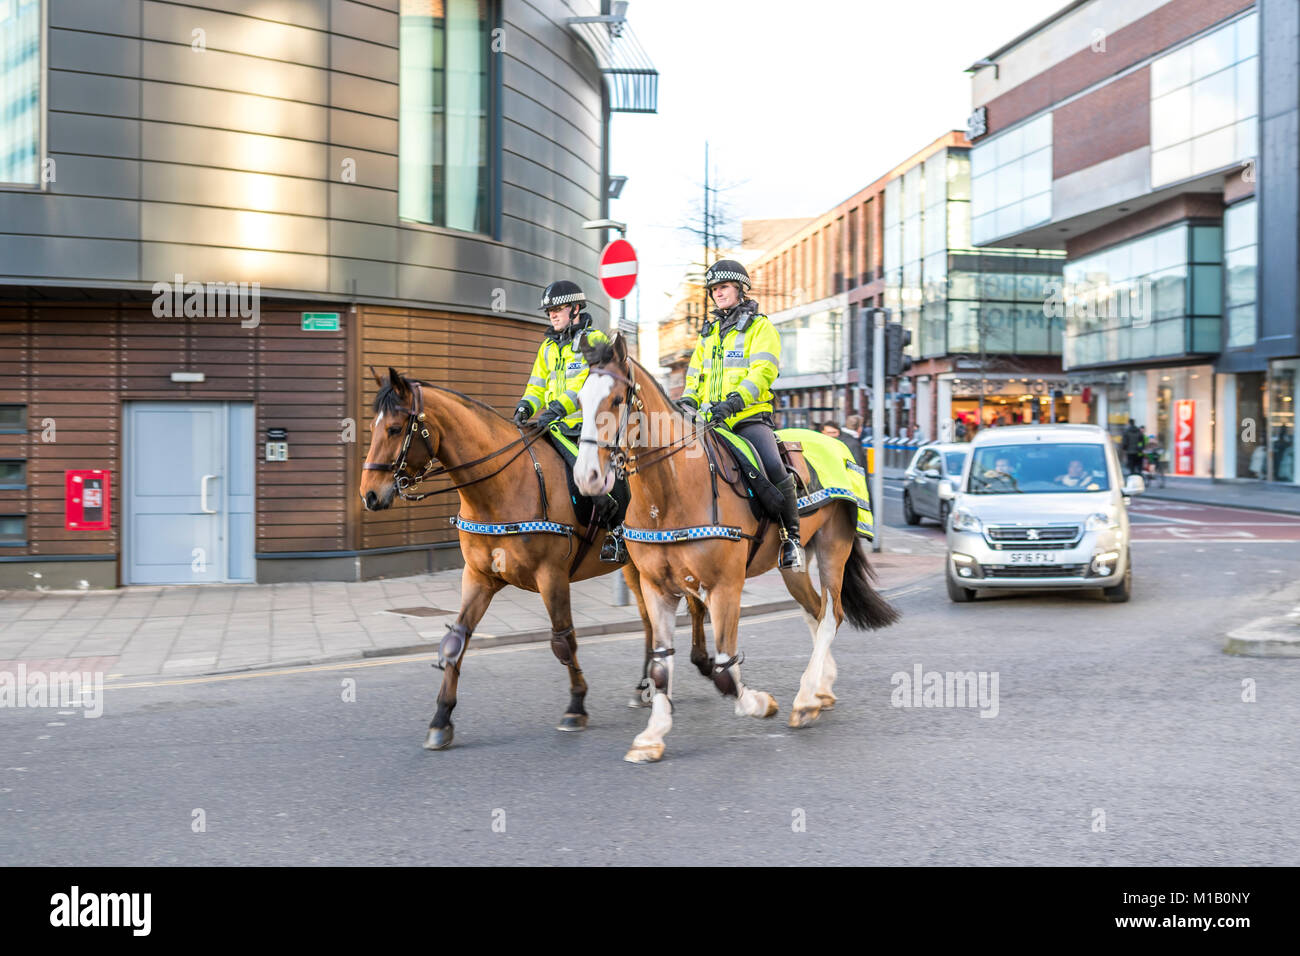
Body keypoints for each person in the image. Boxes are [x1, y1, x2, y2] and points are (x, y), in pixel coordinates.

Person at [678, 259, 805, 571]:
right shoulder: (707, 335)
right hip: (710, 422)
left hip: (747, 418)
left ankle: (792, 538)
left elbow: (763, 371)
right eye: (714, 289)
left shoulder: (761, 328)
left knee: (774, 466)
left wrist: (733, 403)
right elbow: (695, 377)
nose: (718, 293)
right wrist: (687, 403)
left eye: (723, 287)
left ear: (740, 289)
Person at [514, 280, 625, 563]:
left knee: (588, 476)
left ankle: (617, 529)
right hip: (554, 425)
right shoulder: (548, 347)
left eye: (558, 308)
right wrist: (527, 406)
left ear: (575, 309)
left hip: (587, 428)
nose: (552, 314)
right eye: (549, 310)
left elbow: (587, 382)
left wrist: (558, 407)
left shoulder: (596, 341)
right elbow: (536, 384)